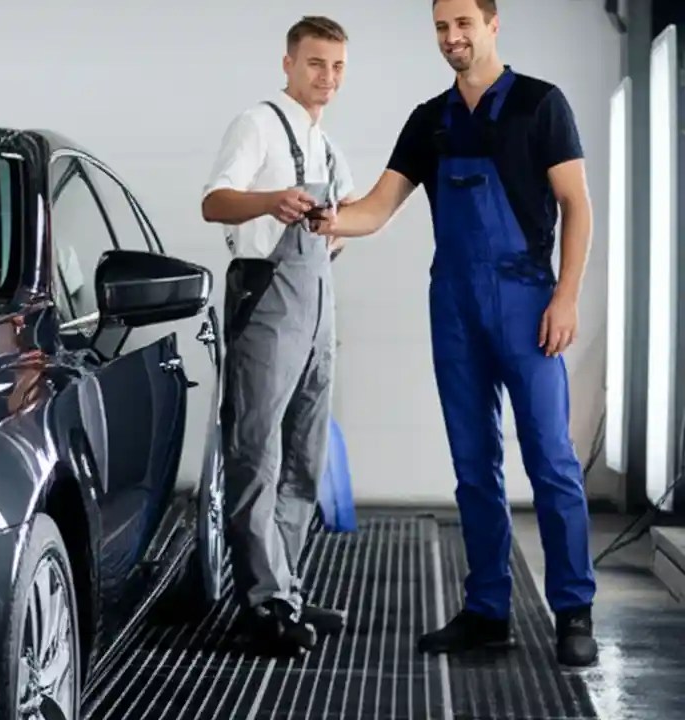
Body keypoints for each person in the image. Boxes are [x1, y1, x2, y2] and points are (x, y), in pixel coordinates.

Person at [310, 0, 598, 667]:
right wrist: (322, 217)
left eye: (464, 23)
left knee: (551, 460)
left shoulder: (540, 104)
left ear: (492, 25)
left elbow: (576, 204)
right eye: (442, 26)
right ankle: (487, 610)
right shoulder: (429, 121)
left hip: (528, 302)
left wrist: (566, 296)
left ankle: (573, 610)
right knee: (472, 466)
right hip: (455, 306)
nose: (452, 37)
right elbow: (377, 208)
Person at [200, 15, 355, 656]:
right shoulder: (257, 123)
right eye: (316, 63)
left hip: (317, 304)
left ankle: (285, 588)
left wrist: (335, 228)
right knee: (257, 453)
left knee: (304, 456)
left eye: (338, 66)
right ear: (288, 64)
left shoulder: (327, 145)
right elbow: (214, 201)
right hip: (267, 299)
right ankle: (261, 603)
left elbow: (342, 223)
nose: (327, 77)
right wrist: (270, 202)